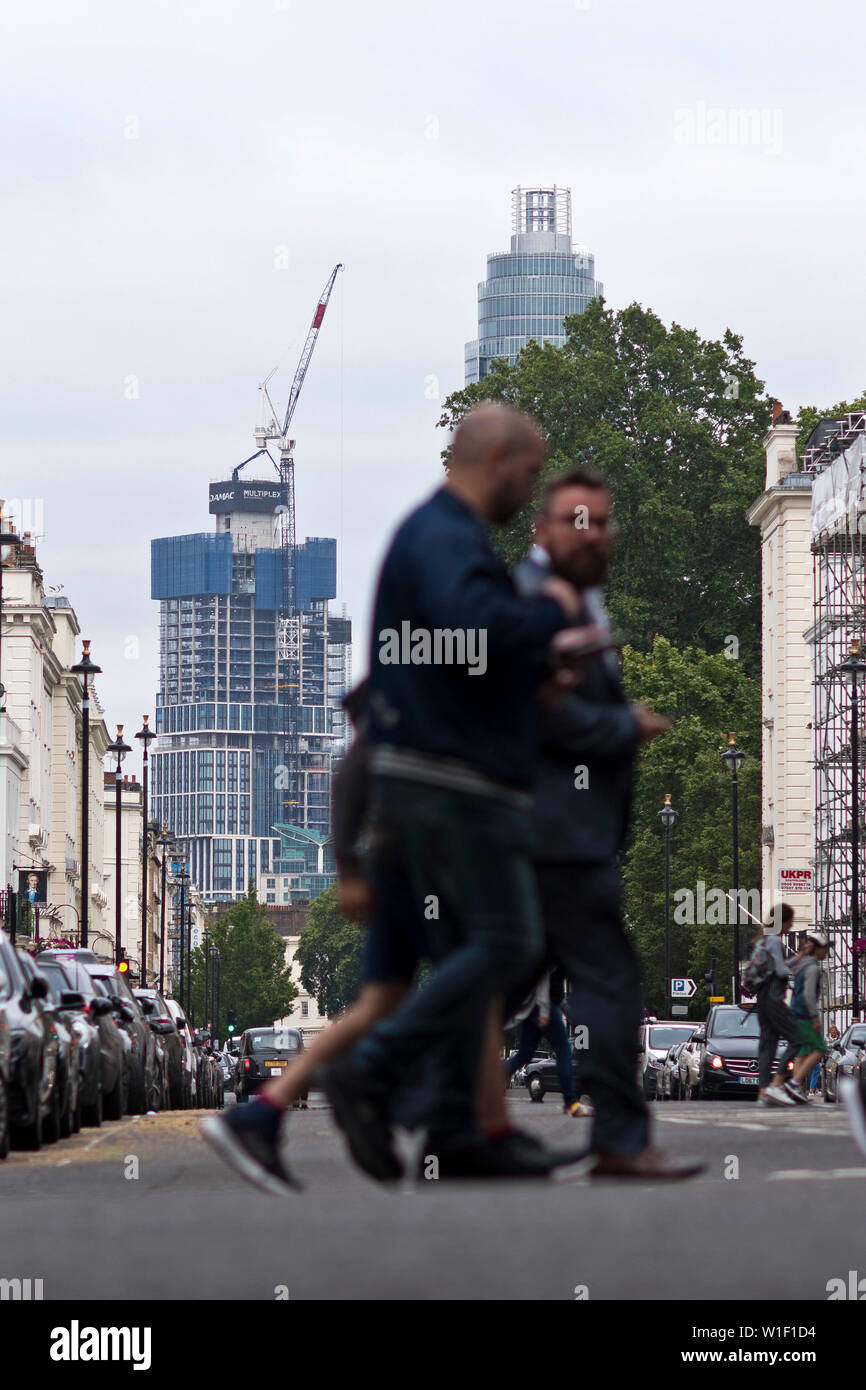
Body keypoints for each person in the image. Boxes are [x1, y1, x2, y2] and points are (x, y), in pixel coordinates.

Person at [318, 404, 588, 1182]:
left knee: (464, 955)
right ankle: (374, 1068)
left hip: (435, 778)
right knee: (511, 945)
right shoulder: (443, 536)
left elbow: (463, 653)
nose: (530, 491)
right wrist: (546, 613)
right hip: (448, 782)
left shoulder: (445, 538)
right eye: (530, 473)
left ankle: (455, 1132)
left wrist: (539, 672)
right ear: (497, 459)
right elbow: (473, 627)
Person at [507, 467, 705, 1179]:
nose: (592, 535)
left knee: (493, 980)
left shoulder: (577, 601)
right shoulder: (535, 603)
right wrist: (618, 726)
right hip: (553, 831)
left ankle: (374, 1074)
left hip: (563, 834)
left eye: (602, 521)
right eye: (575, 520)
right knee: (611, 981)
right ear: (543, 530)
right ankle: (621, 1141)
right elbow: (533, 707)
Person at [505, 972, 591, 1117]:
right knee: (563, 1051)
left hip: (533, 1005)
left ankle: (483, 1083)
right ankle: (571, 1102)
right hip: (544, 1004)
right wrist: (545, 1010)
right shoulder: (556, 950)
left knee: (524, 1054)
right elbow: (544, 977)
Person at [748, 904, 802, 1107]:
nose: (792, 925)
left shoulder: (763, 941)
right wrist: (795, 971)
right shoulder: (774, 941)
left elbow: (775, 966)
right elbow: (780, 971)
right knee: (797, 1038)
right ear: (784, 922)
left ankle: (763, 1093)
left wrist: (797, 959)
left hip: (762, 998)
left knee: (767, 1045)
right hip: (773, 998)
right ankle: (777, 1084)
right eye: (791, 921)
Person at [786, 931, 831, 1102]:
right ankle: (794, 1083)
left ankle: (795, 1090)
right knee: (820, 1049)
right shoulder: (812, 968)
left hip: (795, 1012)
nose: (826, 953)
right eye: (824, 949)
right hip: (805, 1015)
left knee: (803, 1052)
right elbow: (809, 995)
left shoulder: (802, 965)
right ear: (816, 949)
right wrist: (815, 1018)